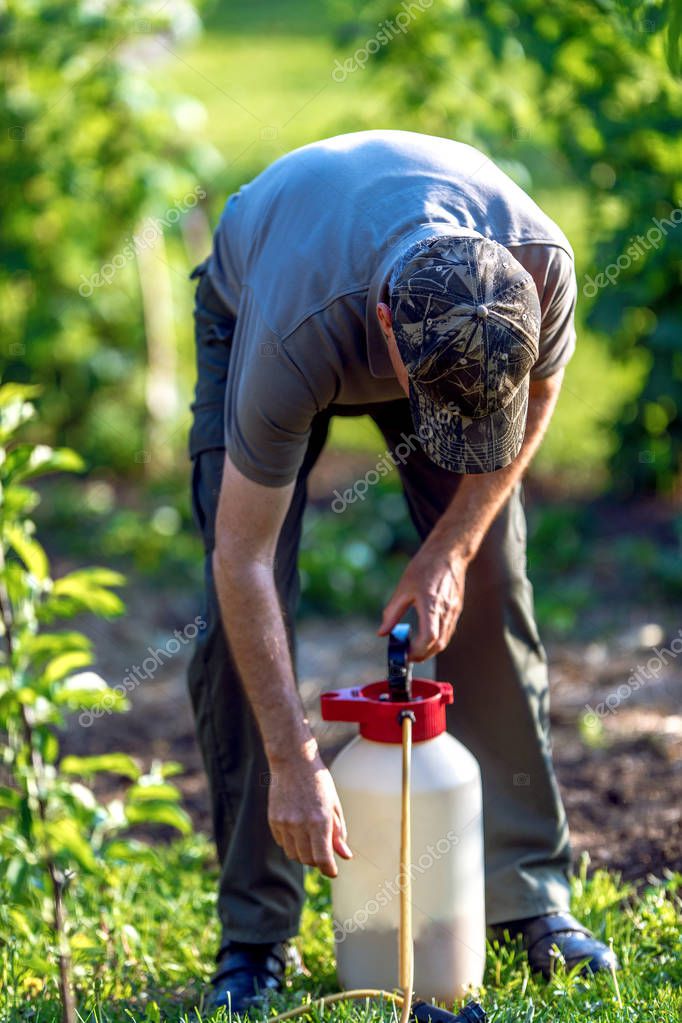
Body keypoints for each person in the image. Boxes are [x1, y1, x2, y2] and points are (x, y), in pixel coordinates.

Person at [187, 130, 617, 1013]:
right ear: (385, 328)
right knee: (236, 618)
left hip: (426, 318)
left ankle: (528, 893)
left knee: (492, 572)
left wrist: (450, 549)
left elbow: (538, 394)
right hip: (262, 294)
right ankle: (255, 933)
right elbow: (245, 557)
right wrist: (294, 757)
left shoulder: (540, 268)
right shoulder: (296, 335)